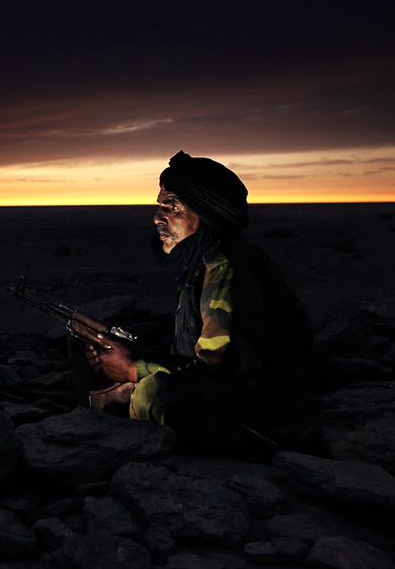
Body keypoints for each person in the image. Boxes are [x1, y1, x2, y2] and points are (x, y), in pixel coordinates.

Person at [84, 151, 318, 458]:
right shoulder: (203, 262)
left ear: (206, 214)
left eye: (172, 207)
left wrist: (132, 369)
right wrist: (133, 356)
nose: (158, 218)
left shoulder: (226, 267)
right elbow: (194, 355)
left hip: (267, 427)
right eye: (159, 207)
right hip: (249, 407)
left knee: (151, 394)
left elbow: (224, 378)